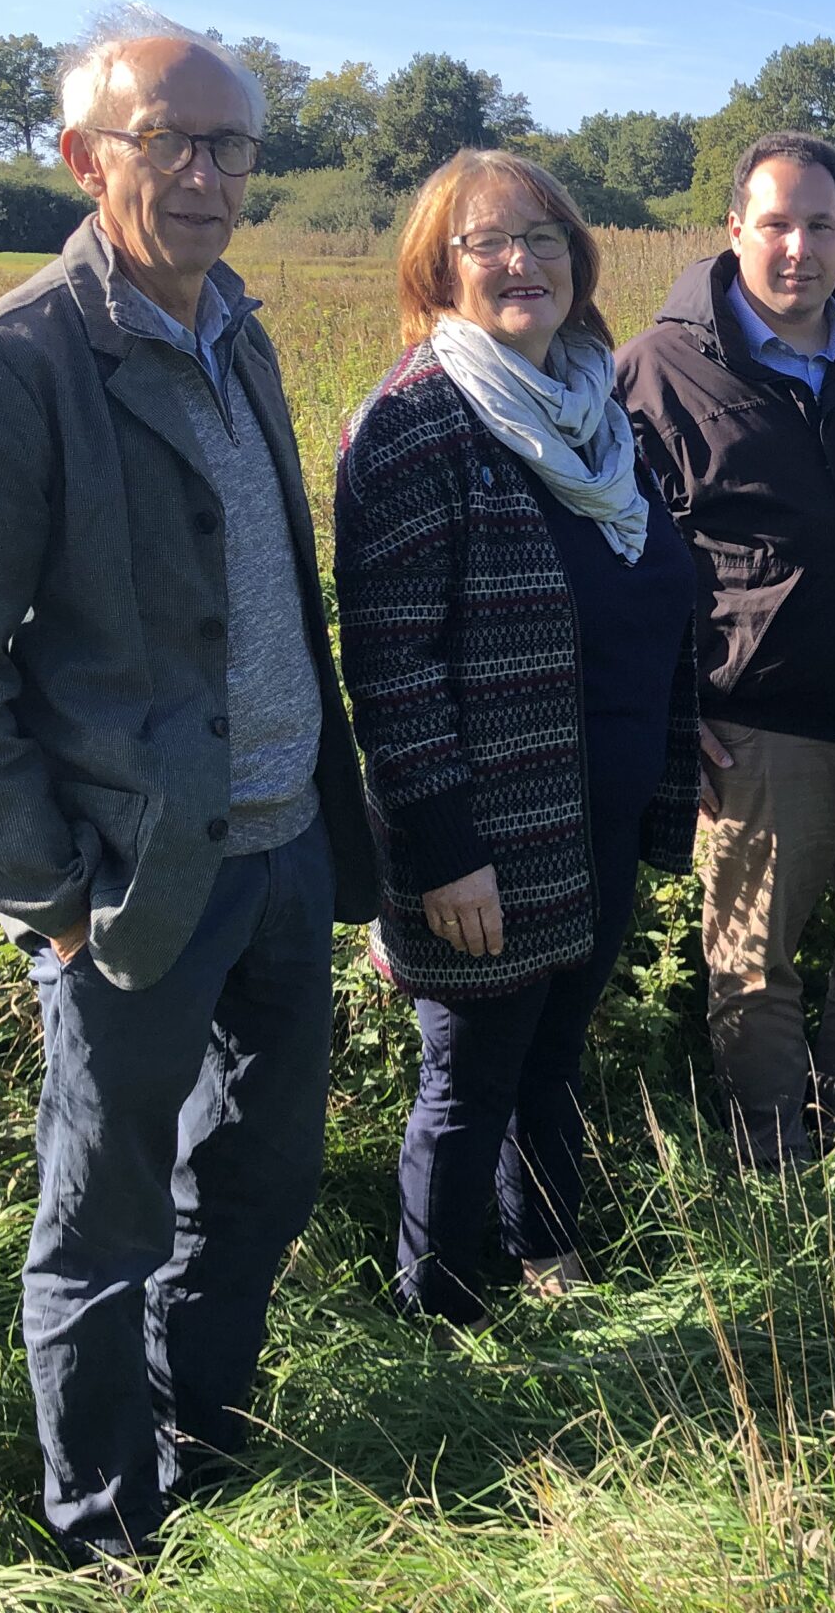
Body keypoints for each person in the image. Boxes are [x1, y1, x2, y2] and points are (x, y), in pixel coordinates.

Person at [0, 7, 378, 1563]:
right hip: (134, 884)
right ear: (87, 159)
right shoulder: (0, 374)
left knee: (262, 1181)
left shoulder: (238, 332)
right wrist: (56, 901)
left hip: (283, 851)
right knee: (103, 1226)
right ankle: (103, 1541)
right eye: (173, 142)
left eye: (233, 146)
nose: (210, 176)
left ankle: (199, 1452)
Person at [334, 150, 697, 1328]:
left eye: (543, 238)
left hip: (599, 809)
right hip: (485, 837)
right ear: (438, 270)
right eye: (486, 241)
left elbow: (654, 606)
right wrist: (444, 850)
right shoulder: (414, 425)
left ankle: (546, 1255)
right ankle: (437, 1313)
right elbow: (390, 666)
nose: (520, 261)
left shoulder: (603, 419)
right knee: (469, 1078)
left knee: (552, 1056)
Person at [615, 133, 835, 1170]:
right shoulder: (656, 373)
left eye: (821, 224)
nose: (799, 248)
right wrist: (674, 716)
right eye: (776, 224)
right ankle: (773, 1159)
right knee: (754, 963)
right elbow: (621, 570)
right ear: (734, 230)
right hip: (756, 735)